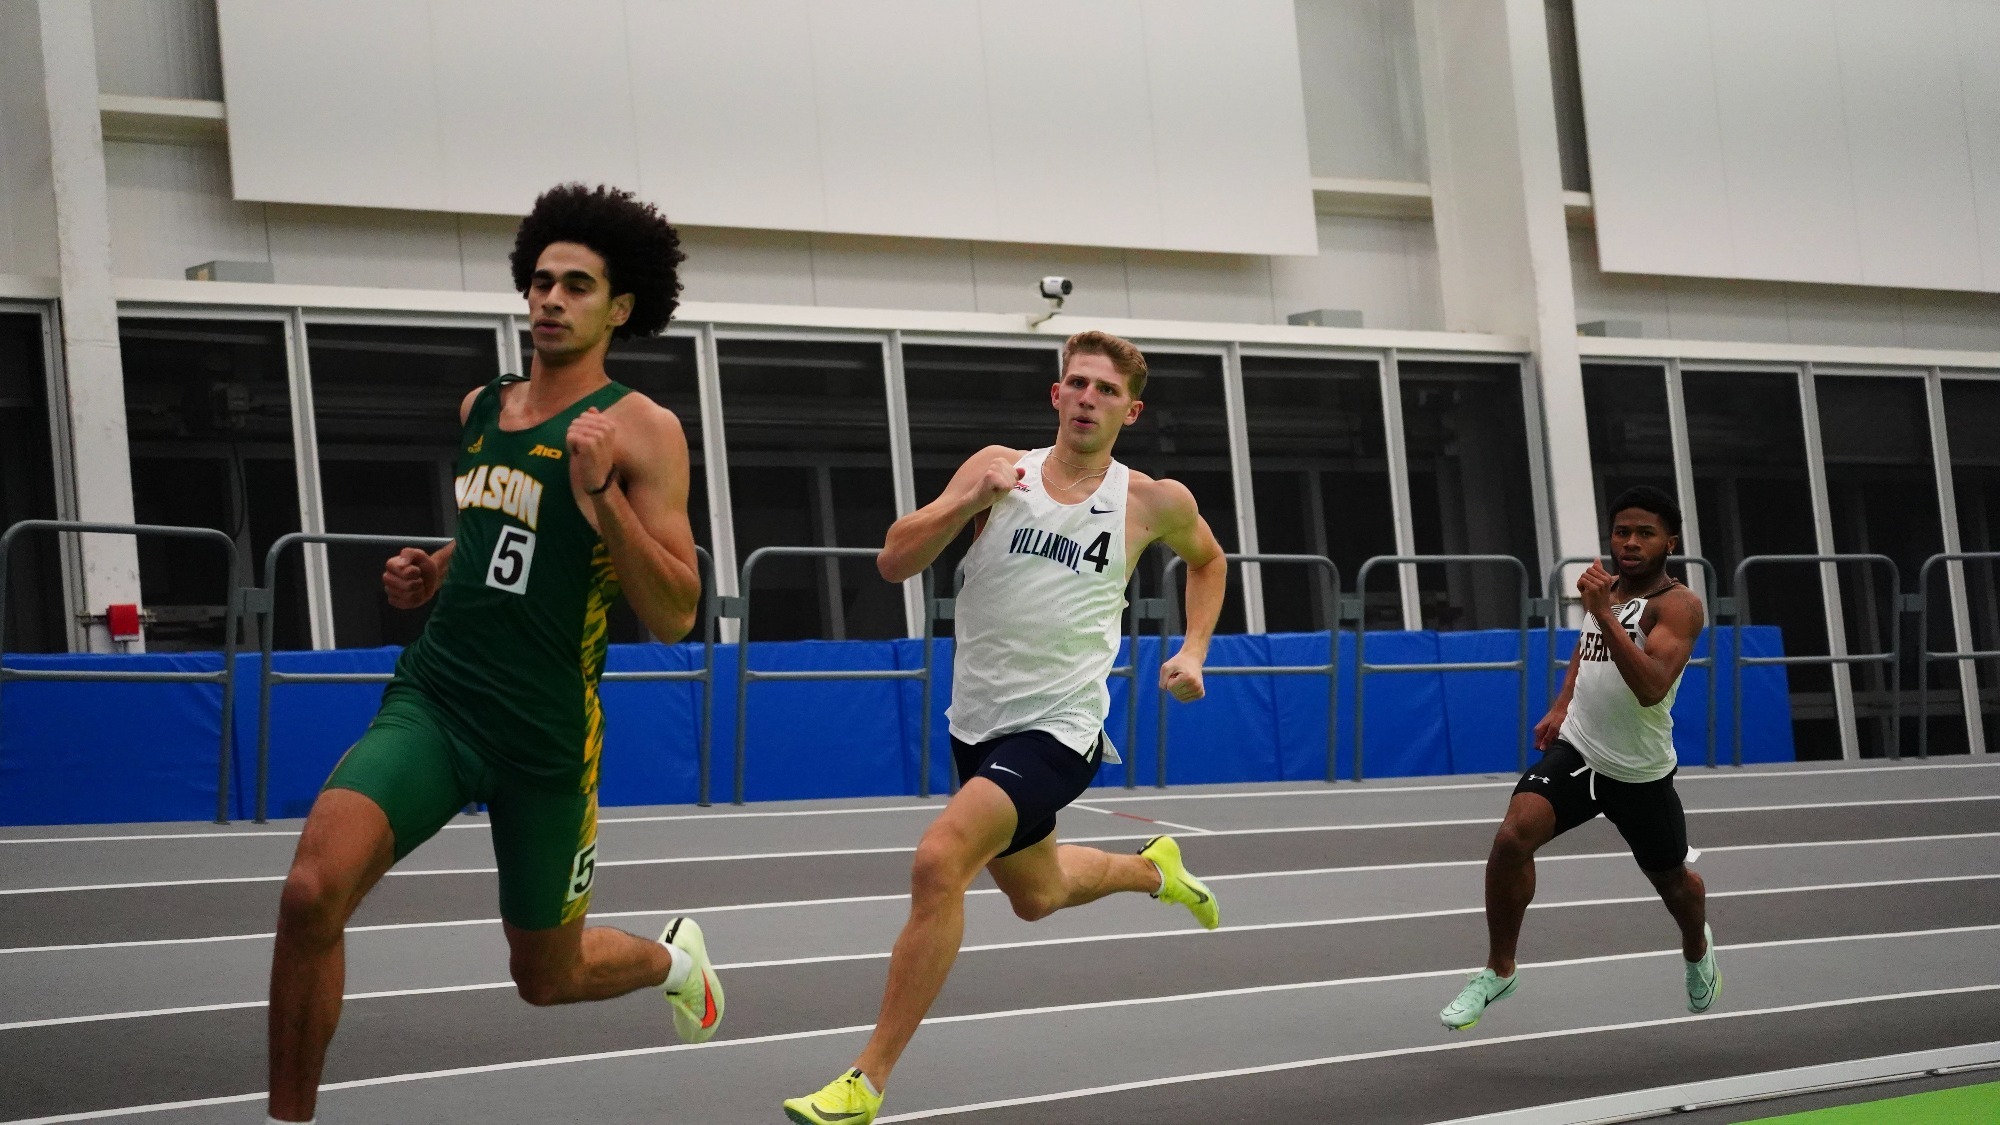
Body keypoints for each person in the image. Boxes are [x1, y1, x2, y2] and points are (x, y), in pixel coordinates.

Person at [265, 184, 720, 1124]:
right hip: (437, 697)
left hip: (544, 732)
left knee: (546, 978)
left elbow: (677, 610)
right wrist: (436, 567)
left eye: (577, 286)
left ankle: (676, 960)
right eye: (541, 281)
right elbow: (502, 525)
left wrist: (605, 499)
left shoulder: (643, 429)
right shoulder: (482, 407)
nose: (550, 299)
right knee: (313, 892)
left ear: (619, 307)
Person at [783, 331, 1229, 1125]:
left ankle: (866, 1079)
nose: (1087, 396)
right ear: (1056, 395)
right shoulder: (1001, 469)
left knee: (939, 860)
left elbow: (1208, 560)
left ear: (1131, 408)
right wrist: (966, 501)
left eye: (1103, 387)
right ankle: (1154, 868)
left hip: (1060, 729)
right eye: (1076, 383)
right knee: (1039, 892)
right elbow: (893, 562)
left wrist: (1194, 651)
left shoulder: (1151, 500)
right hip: (976, 723)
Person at [1439, 485, 1718, 1032]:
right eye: (1621, 532)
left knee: (1674, 885)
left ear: (1670, 541)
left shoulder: (1678, 605)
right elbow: (1587, 649)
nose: (1630, 543)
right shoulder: (1607, 590)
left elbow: (1651, 687)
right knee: (1511, 838)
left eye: (1645, 533)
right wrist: (1563, 704)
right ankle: (1499, 970)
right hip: (1581, 751)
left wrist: (1604, 614)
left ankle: (1695, 944)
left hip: (1638, 773)